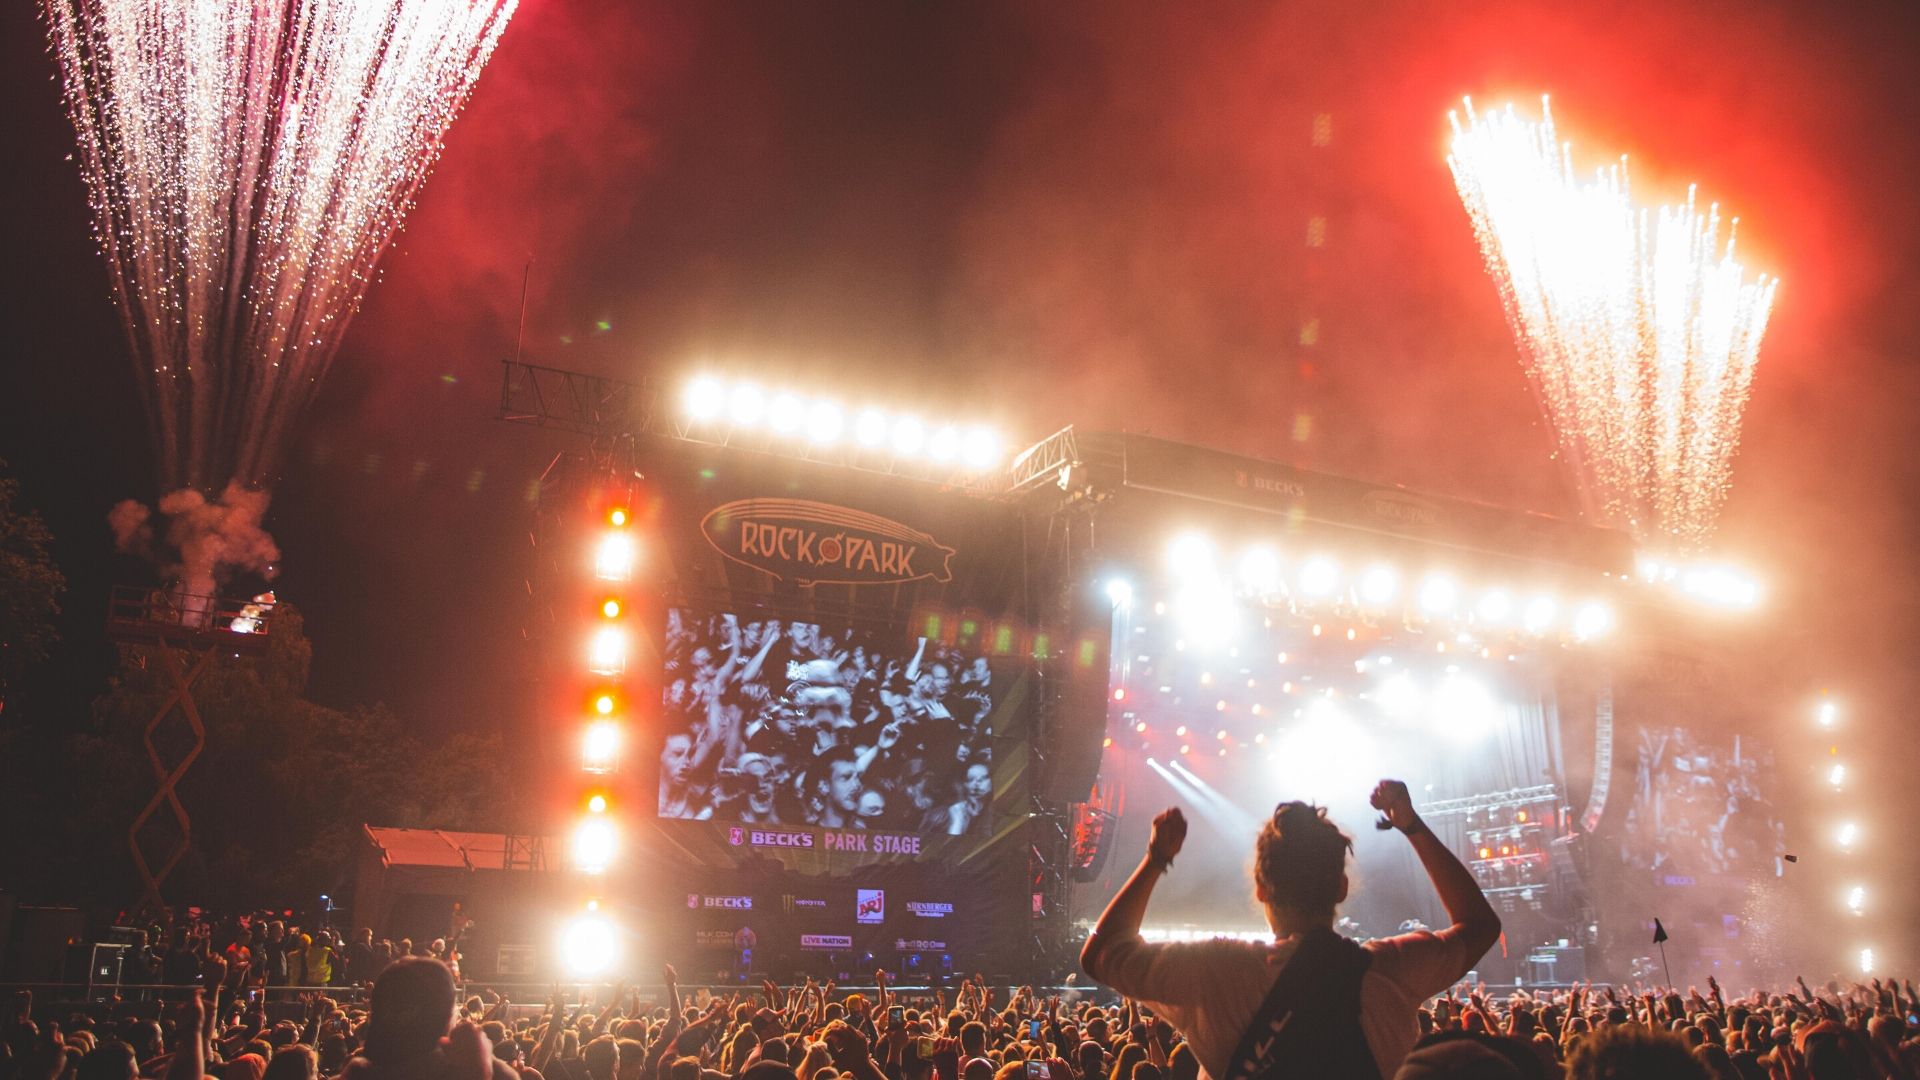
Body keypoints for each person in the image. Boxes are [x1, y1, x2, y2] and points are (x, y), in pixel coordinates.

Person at [1080, 779, 1502, 1079]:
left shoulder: (1218, 971)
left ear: (1261, 890)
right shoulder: (1393, 969)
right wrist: (1411, 825)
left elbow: (1101, 953)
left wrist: (1157, 858)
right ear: (1341, 888)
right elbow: (1480, 926)